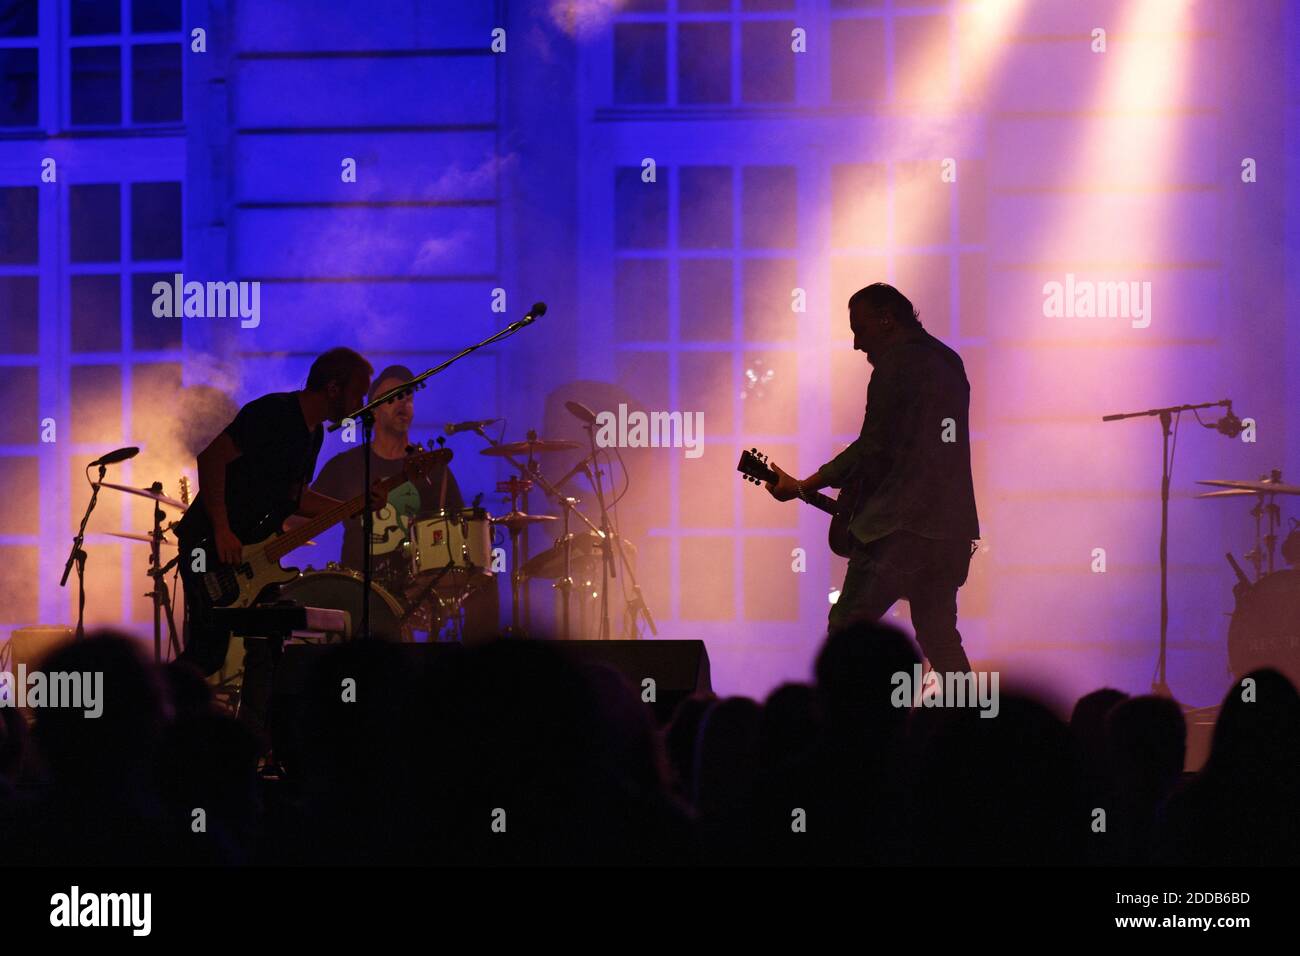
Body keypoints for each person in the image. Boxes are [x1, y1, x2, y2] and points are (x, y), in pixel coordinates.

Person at [766, 283, 979, 675]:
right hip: (949, 533)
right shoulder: (950, 362)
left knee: (847, 633)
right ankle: (971, 730)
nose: (856, 344)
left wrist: (802, 485)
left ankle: (848, 729)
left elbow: (873, 447)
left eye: (859, 330)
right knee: (940, 638)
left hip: (896, 532)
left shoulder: (895, 364)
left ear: (887, 319)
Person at [176, 347, 376, 738]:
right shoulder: (272, 413)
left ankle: (253, 742)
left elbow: (296, 497)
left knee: (266, 645)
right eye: (358, 393)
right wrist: (222, 529)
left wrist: (352, 507)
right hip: (208, 543)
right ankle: (154, 721)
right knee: (207, 652)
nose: (362, 404)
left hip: (251, 553)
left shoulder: (314, 435)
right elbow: (211, 459)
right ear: (333, 388)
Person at [311, 365, 499, 640]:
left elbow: (458, 539)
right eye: (394, 397)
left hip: (415, 596)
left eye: (408, 397)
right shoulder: (345, 466)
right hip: (357, 592)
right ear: (373, 408)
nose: (403, 402)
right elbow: (302, 517)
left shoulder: (433, 468)